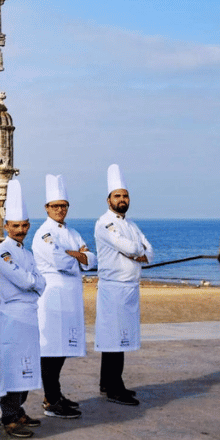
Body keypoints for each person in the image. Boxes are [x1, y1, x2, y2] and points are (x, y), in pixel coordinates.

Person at [32, 174, 95, 419]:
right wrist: (77, 256)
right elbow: (57, 259)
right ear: (47, 208)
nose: (60, 210)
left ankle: (56, 394)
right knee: (51, 350)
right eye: (55, 206)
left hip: (71, 296)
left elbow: (91, 259)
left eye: (64, 206)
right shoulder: (43, 234)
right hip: (53, 296)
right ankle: (50, 400)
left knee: (63, 350)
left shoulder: (73, 232)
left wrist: (76, 255)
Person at [0, 178, 45, 439]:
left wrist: (31, 282)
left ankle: (18, 409)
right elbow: (25, 280)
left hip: (29, 317)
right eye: (15, 226)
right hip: (10, 318)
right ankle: (8, 417)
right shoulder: (2, 253)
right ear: (6, 226)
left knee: (27, 366)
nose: (20, 230)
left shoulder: (28, 252)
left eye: (24, 226)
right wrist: (31, 282)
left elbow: (41, 283)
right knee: (11, 368)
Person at [94, 164, 153, 407]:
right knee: (113, 340)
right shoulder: (104, 223)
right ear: (108, 199)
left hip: (130, 288)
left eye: (125, 195)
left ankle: (109, 384)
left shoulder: (132, 226)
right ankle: (113, 388)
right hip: (113, 288)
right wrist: (136, 251)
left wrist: (137, 252)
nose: (122, 199)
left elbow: (150, 253)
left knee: (121, 340)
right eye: (117, 196)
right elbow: (132, 248)